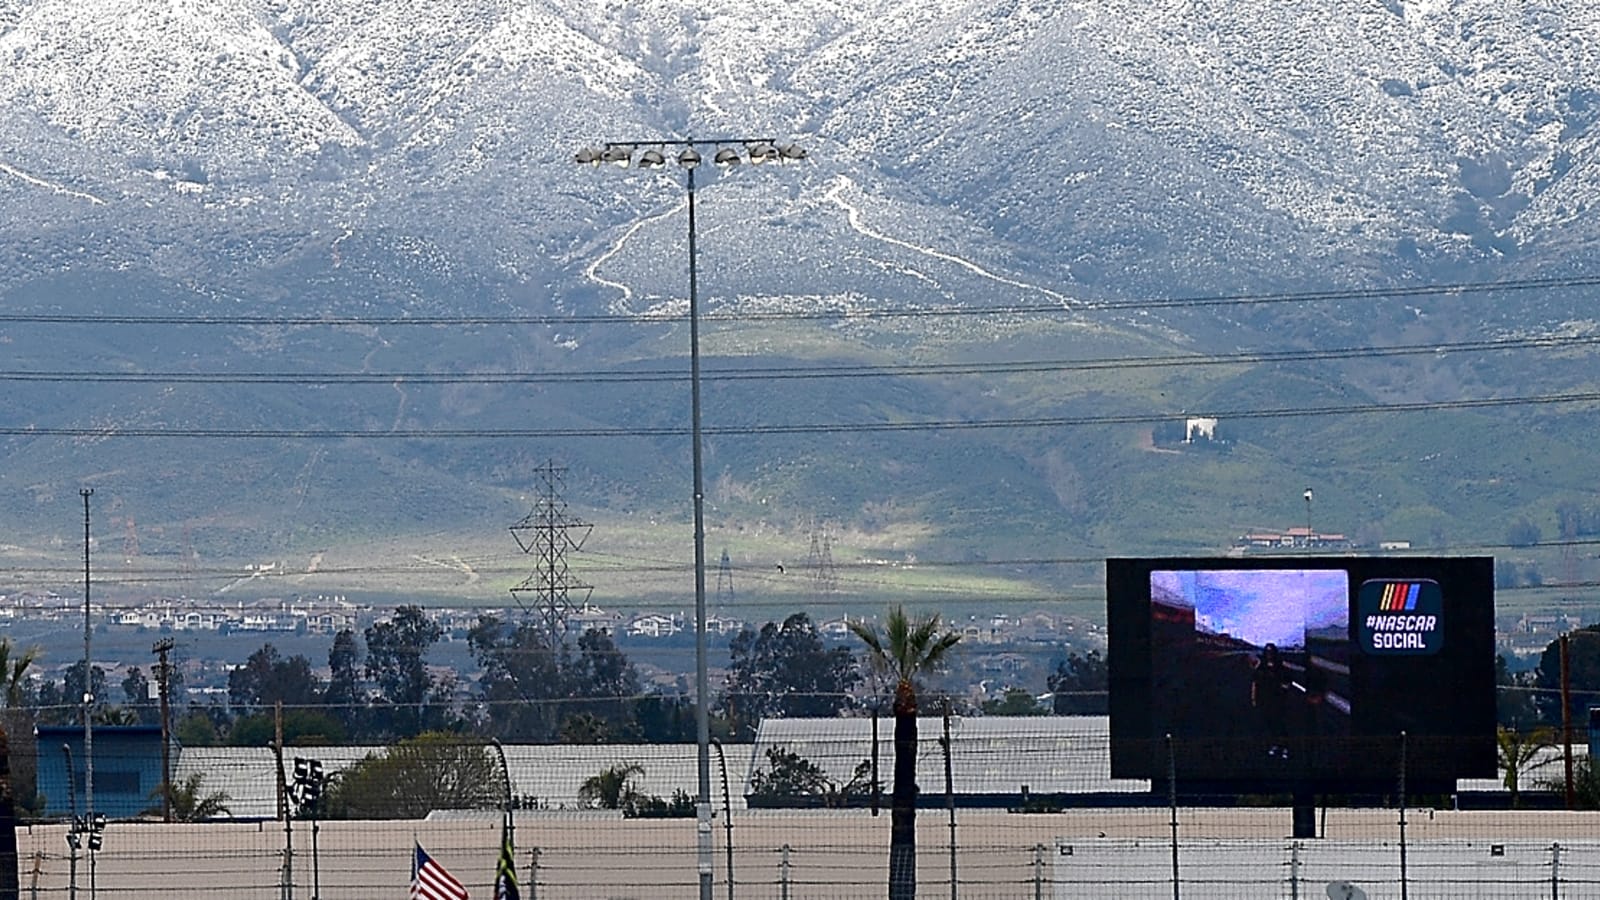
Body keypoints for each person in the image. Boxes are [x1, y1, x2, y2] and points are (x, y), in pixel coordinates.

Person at [1251, 643, 1292, 759]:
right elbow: (1255, 683)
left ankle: (1285, 747)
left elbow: (1288, 681)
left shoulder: (1280, 666)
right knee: (1270, 724)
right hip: (1265, 699)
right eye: (1267, 651)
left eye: (1271, 651)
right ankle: (1275, 745)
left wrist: (1283, 688)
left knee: (1280, 723)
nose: (1269, 654)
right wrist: (1254, 698)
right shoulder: (1261, 666)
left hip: (1278, 699)